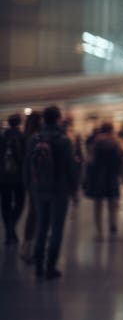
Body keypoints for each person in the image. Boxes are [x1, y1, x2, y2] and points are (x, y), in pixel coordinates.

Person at [23, 106, 79, 280]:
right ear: (58, 119)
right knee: (56, 229)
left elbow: (27, 166)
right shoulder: (63, 140)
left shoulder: (35, 138)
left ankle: (38, 266)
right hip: (59, 191)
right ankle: (50, 267)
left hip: (39, 189)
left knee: (41, 226)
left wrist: (30, 187)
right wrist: (74, 190)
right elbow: (71, 168)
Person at [85, 123, 122, 240]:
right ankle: (113, 224)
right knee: (112, 203)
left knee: (98, 206)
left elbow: (90, 161)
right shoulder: (115, 143)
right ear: (111, 130)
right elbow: (118, 161)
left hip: (98, 177)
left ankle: (99, 231)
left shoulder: (95, 143)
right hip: (111, 177)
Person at [19, 111, 42, 263]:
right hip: (38, 181)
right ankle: (30, 249)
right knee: (37, 214)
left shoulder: (23, 138)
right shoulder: (37, 138)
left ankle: (27, 247)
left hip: (27, 181)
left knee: (32, 214)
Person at [1, 114, 26, 245]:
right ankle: (11, 229)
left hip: (3, 178)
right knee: (19, 204)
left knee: (5, 206)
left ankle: (9, 232)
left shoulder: (2, 137)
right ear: (19, 123)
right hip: (19, 178)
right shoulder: (22, 137)